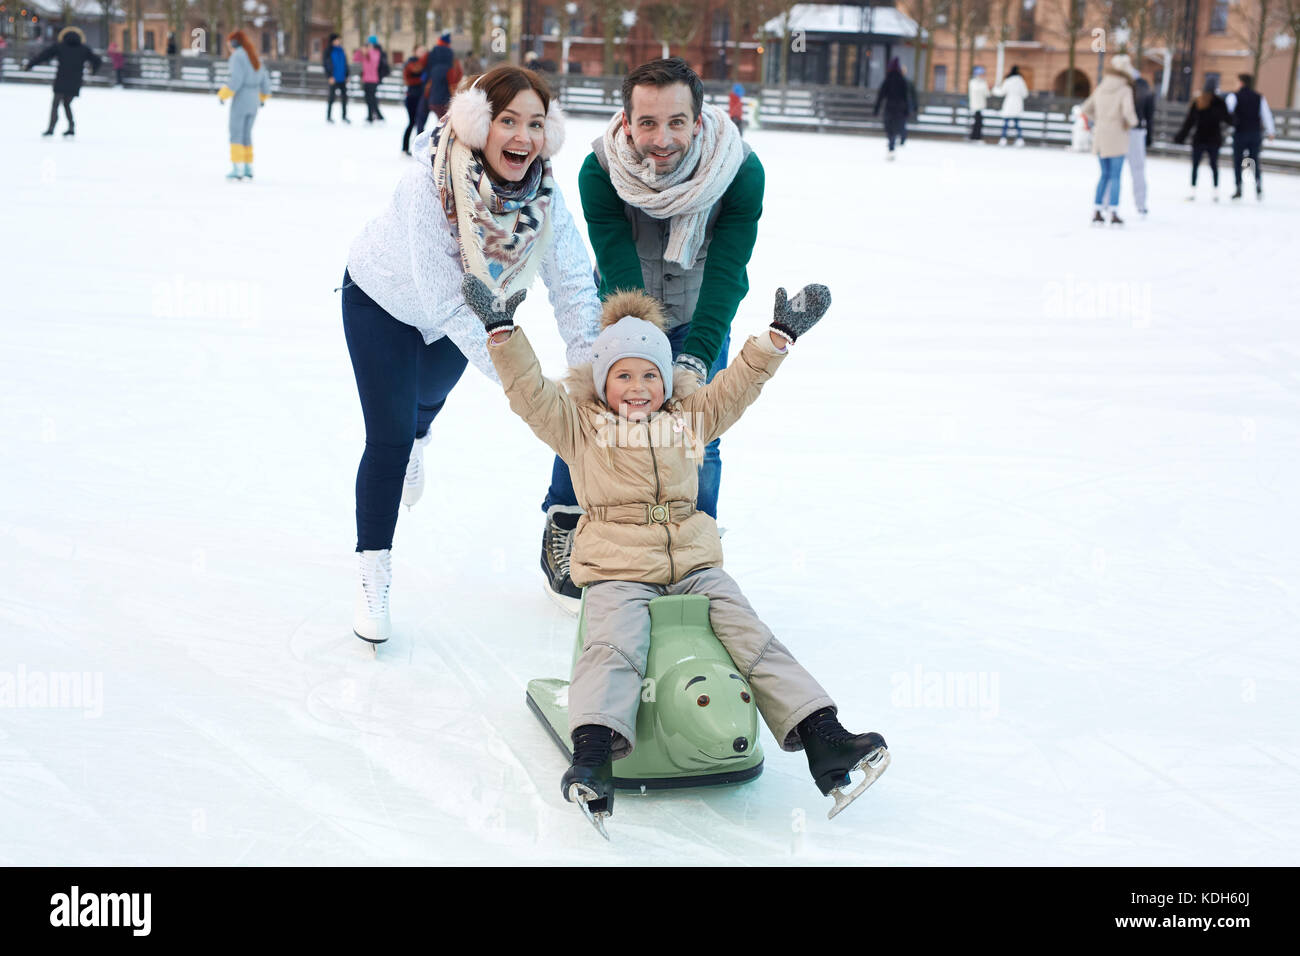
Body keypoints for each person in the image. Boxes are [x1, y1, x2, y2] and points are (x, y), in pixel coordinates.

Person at [464, 276, 889, 824]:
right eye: (623, 375)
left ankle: (825, 739)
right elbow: (527, 389)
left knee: (753, 637)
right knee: (613, 646)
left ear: (666, 379)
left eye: (649, 374)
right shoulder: (579, 427)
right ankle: (593, 756)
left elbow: (737, 386)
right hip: (618, 568)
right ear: (602, 381)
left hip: (694, 565)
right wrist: (502, 332)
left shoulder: (688, 421)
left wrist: (778, 336)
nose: (637, 387)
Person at [341, 66, 602, 645]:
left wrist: (588, 374)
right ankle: (373, 573)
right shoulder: (427, 185)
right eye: (508, 120)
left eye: (536, 124)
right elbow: (444, 303)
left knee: (422, 411)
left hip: (465, 321)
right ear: (478, 123)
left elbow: (576, 286)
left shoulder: (544, 198)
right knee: (385, 438)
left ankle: (417, 439)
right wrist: (531, 386)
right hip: (382, 302)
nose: (523, 137)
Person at [569, 56, 762, 609]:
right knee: (596, 423)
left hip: (702, 313)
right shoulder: (601, 170)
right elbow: (619, 267)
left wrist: (697, 358)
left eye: (676, 122)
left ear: (698, 121)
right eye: (648, 122)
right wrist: (635, 356)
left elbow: (728, 271)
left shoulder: (739, 171)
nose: (662, 137)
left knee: (699, 431)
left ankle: (696, 550)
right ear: (626, 121)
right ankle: (570, 527)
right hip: (627, 313)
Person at [1080, 53, 1137, 225]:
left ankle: (1097, 211)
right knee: (1115, 176)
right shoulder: (1125, 89)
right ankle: (1113, 212)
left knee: (1103, 175)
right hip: (1117, 136)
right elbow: (1129, 113)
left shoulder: (1101, 87)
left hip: (1101, 135)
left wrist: (1099, 119)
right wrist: (1132, 123)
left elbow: (1085, 108)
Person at [26, 26, 102, 138]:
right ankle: (71, 127)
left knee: (55, 104)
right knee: (67, 104)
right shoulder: (84, 48)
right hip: (75, 81)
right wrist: (93, 71)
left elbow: (43, 56)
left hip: (61, 79)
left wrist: (30, 65)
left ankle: (51, 128)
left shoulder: (60, 46)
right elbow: (97, 60)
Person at [216, 29, 271, 181]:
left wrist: (223, 94)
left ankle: (237, 167)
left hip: (242, 99)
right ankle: (248, 166)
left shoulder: (237, 57)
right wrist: (263, 96)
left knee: (236, 133)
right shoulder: (254, 56)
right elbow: (265, 80)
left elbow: (236, 80)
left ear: (234, 43)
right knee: (247, 134)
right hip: (254, 100)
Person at [1174, 77, 1231, 202]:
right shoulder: (1219, 103)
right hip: (1213, 139)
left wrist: (1181, 136)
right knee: (1214, 165)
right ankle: (1215, 191)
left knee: (1195, 165)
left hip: (1200, 138)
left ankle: (1193, 190)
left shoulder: (1198, 102)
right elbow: (1228, 119)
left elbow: (1189, 122)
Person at [1225, 73, 1276, 201]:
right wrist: (1271, 131)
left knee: (1238, 161)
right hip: (1254, 133)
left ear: (1241, 82)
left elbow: (1227, 112)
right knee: (1254, 160)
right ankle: (1258, 184)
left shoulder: (1234, 96)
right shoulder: (1259, 97)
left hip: (1240, 132)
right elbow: (1266, 114)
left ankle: (1238, 187)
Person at [418, 31, 462, 133]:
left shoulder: (430, 54)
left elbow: (419, 66)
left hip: (428, 90)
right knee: (445, 122)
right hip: (444, 94)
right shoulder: (452, 59)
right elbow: (457, 75)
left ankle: (418, 140)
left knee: (421, 118)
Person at [873, 57, 913, 158]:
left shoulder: (888, 80)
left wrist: (876, 108)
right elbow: (906, 97)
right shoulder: (902, 81)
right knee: (896, 126)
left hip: (890, 108)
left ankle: (891, 143)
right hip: (900, 108)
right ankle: (894, 141)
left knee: (889, 127)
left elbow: (881, 95)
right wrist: (908, 109)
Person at [1128, 68, 1156, 215]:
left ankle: (1106, 203)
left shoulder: (1123, 87)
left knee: (1112, 171)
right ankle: (1141, 204)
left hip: (1121, 132)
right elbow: (1149, 117)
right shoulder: (1145, 89)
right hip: (1137, 133)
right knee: (1138, 169)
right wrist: (1149, 136)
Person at [401, 44, 427, 154]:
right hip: (411, 97)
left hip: (421, 97)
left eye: (424, 51)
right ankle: (405, 147)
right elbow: (408, 80)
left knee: (420, 123)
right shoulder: (410, 63)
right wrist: (421, 80)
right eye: (420, 51)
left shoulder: (425, 64)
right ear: (415, 51)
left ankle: (418, 148)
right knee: (412, 122)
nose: (422, 53)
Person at [994, 65, 1028, 146]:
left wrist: (995, 90)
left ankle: (1003, 139)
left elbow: (1002, 92)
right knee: (1016, 123)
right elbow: (1025, 94)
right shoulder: (1021, 81)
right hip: (1017, 103)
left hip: (1009, 102)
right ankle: (1020, 139)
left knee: (1006, 122)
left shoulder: (1008, 80)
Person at [354, 35, 385, 122]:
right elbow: (355, 58)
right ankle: (372, 116)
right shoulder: (364, 55)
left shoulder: (376, 53)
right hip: (365, 80)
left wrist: (368, 51)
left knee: (372, 99)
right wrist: (360, 51)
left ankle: (376, 115)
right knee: (368, 99)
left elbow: (374, 62)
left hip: (373, 80)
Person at [323, 32, 350, 123]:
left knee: (344, 98)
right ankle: (329, 116)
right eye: (337, 39)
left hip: (342, 78)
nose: (339, 41)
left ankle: (344, 116)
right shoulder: (328, 51)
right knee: (331, 98)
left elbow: (345, 64)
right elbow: (326, 65)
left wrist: (347, 75)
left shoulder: (341, 50)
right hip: (333, 78)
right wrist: (329, 76)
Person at [967, 65, 989, 141]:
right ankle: (974, 136)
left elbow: (987, 93)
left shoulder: (982, 82)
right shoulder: (974, 82)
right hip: (975, 105)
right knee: (976, 122)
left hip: (980, 105)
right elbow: (980, 91)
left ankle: (977, 136)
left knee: (978, 122)